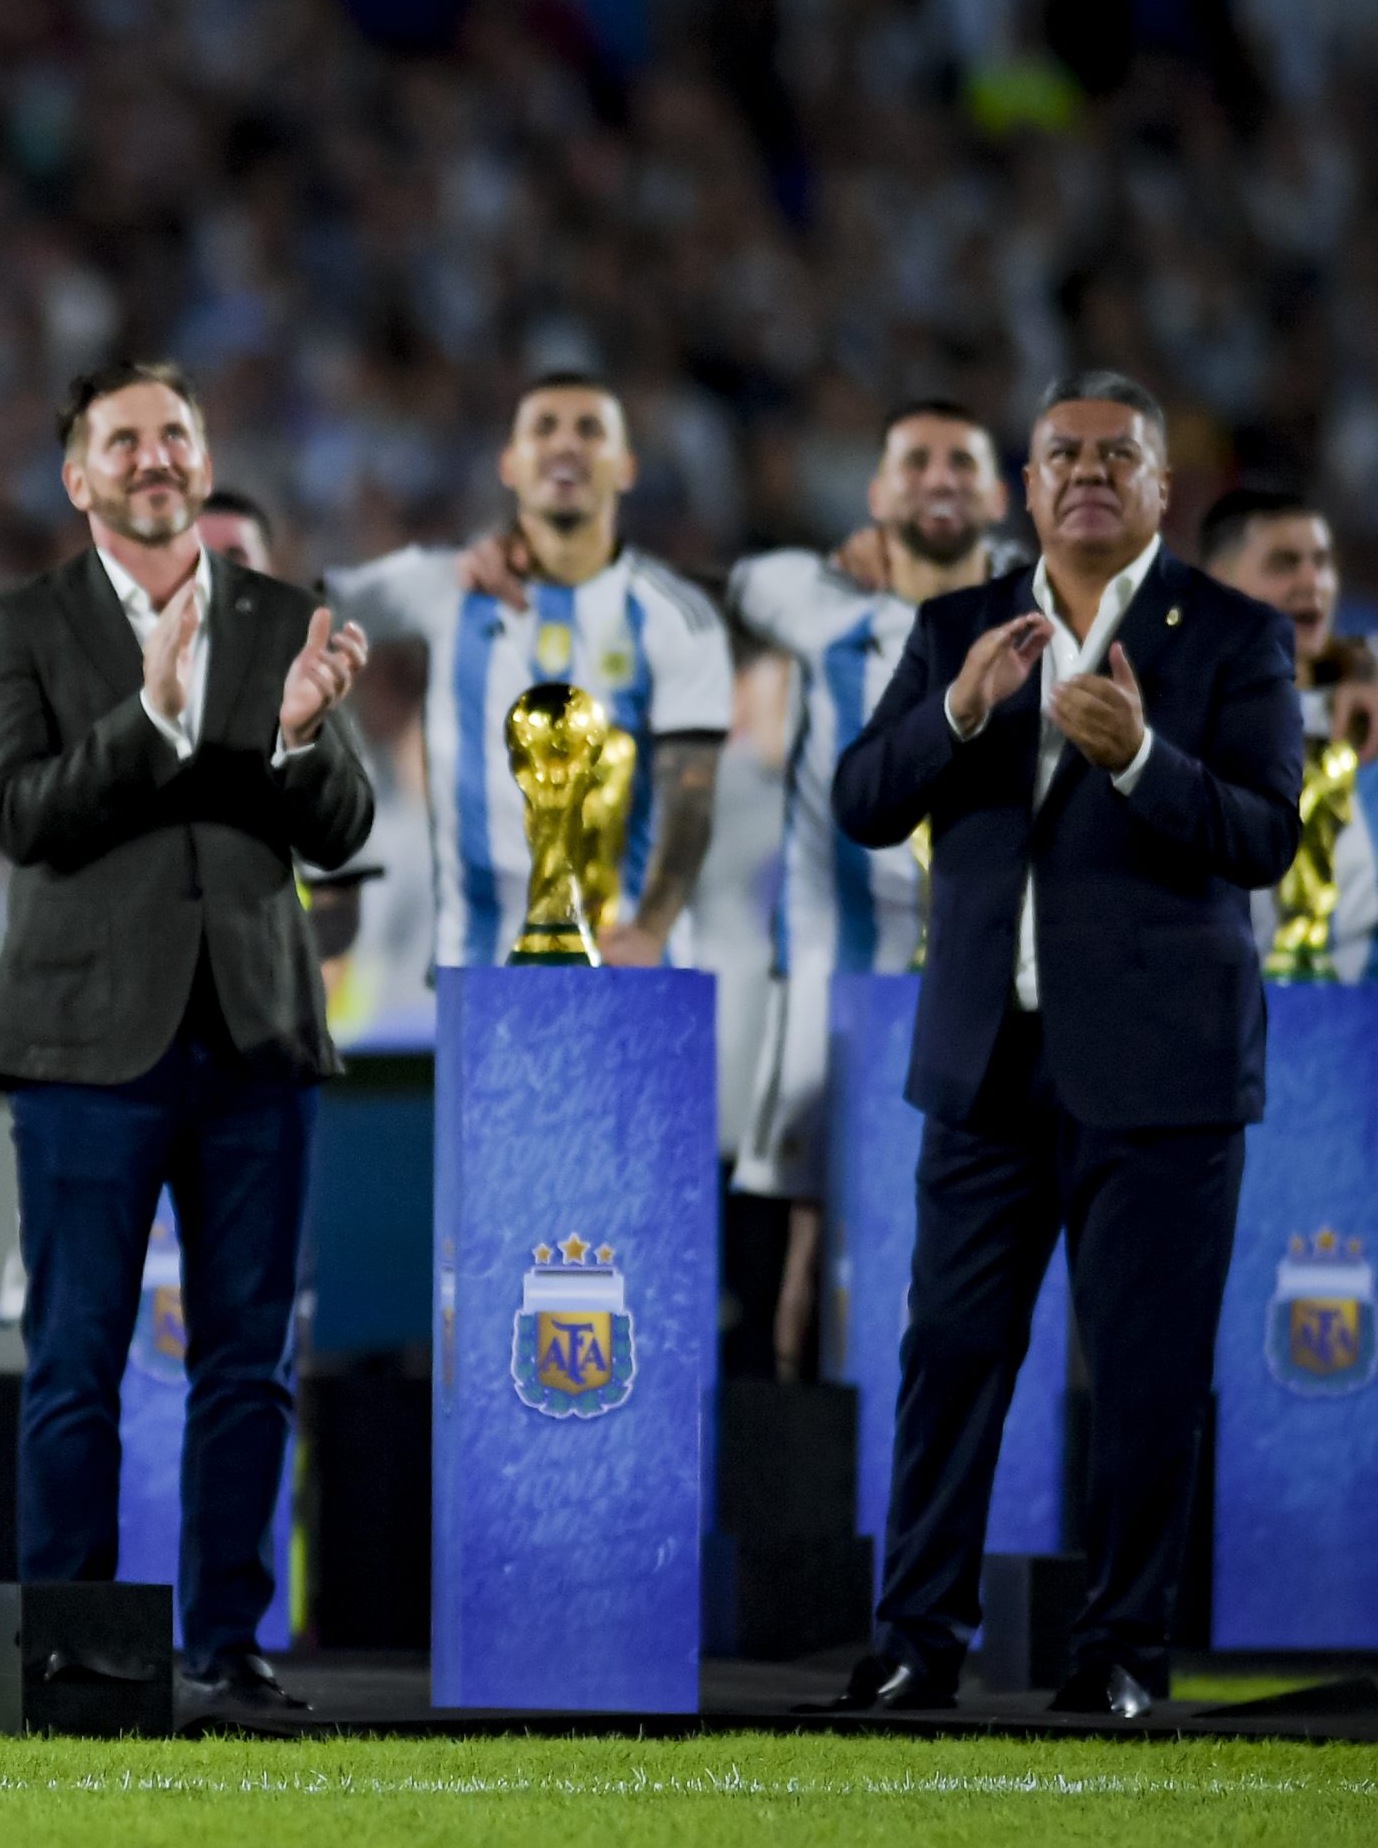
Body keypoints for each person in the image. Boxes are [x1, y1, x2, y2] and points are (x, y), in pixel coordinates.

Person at [826, 372, 1302, 1718]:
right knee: (952, 1352)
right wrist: (960, 713)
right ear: (1025, 489)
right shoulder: (959, 626)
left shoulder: (1234, 636)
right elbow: (864, 797)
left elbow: (1270, 834)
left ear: (1161, 488)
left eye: (1118, 455)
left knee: (1146, 1375)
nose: (1088, 472)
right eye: (1062, 456)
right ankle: (919, 1639)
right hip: (986, 1065)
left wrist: (1147, 758)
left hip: (1163, 1075)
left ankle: (1124, 1656)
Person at [0, 360, 373, 1710]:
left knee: (248, 1361)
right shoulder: (19, 621)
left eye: (175, 436)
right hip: (86, 1041)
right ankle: (77, 1639)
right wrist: (149, 712)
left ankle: (229, 1638)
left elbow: (346, 826)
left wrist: (305, 738)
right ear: (77, 475)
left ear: (204, 460)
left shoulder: (282, 615)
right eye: (122, 439)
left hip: (259, 1036)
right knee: (76, 1352)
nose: (154, 456)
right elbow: (22, 813)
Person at [729, 401, 1017, 1379]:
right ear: (877, 493)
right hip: (827, 976)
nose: (939, 477)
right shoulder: (814, 600)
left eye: (960, 461)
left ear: (995, 495)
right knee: (799, 1264)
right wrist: (836, 558)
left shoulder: (1037, 615)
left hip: (985, 980)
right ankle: (797, 1500)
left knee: (981, 1243)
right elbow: (742, 581)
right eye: (916, 461)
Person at [325, 373, 730, 970]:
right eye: (544, 428)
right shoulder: (447, 587)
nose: (566, 444)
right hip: (483, 970)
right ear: (509, 465)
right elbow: (308, 601)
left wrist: (652, 928)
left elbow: (691, 794)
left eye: (589, 430)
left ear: (626, 469)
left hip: (639, 968)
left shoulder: (677, 617)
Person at [1200, 486, 1378, 982]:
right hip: (1240, 1024)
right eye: (1284, 564)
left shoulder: (1365, 698)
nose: (1312, 582)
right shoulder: (1173, 720)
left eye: (1322, 562)